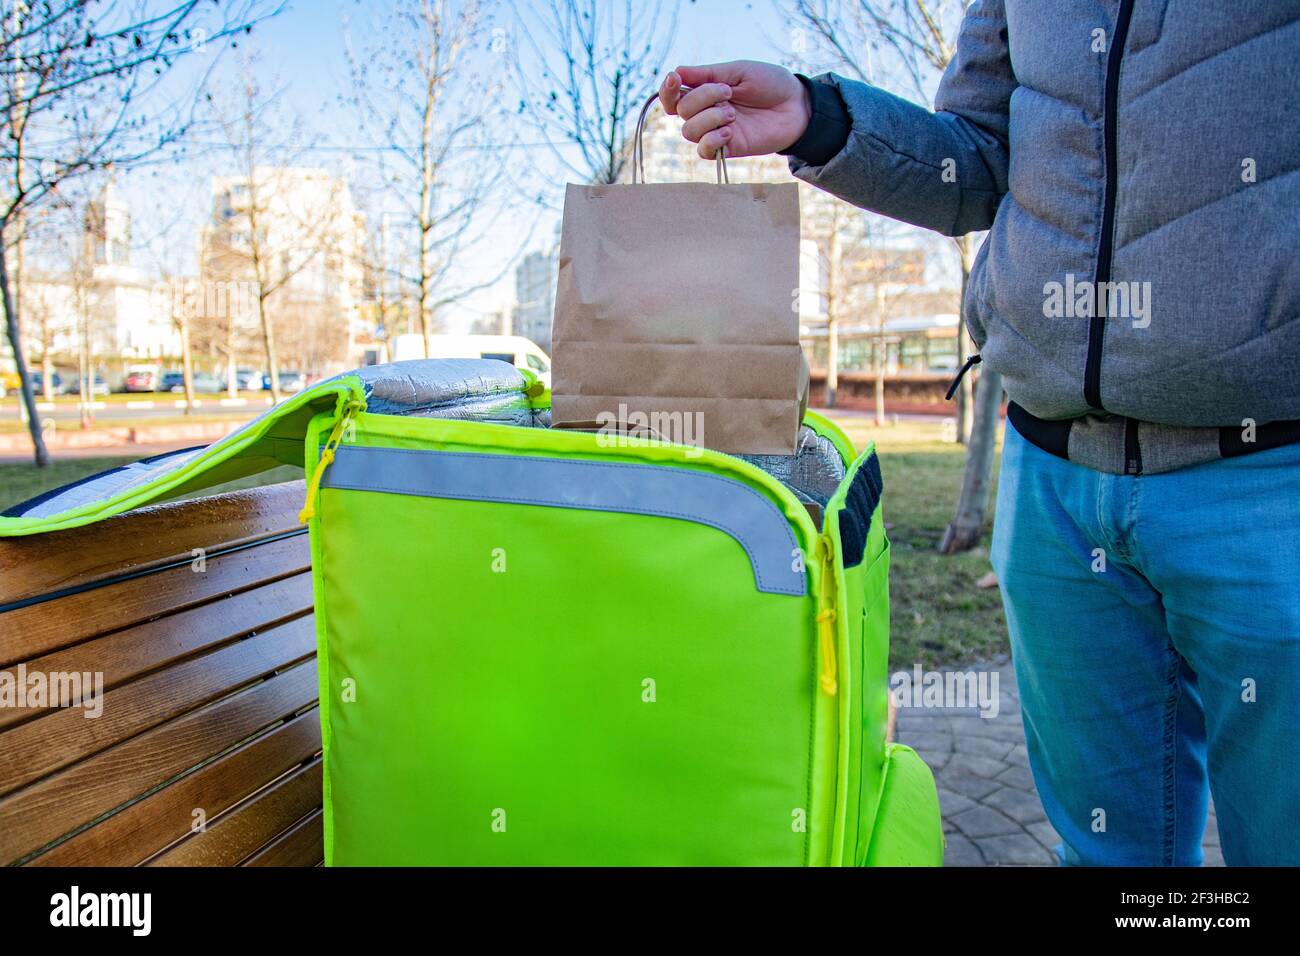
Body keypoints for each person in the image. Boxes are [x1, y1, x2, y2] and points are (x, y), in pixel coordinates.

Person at [661, 0, 1300, 866]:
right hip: (1054, 488)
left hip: (1269, 478)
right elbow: (977, 157)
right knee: (1107, 857)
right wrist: (815, 119)